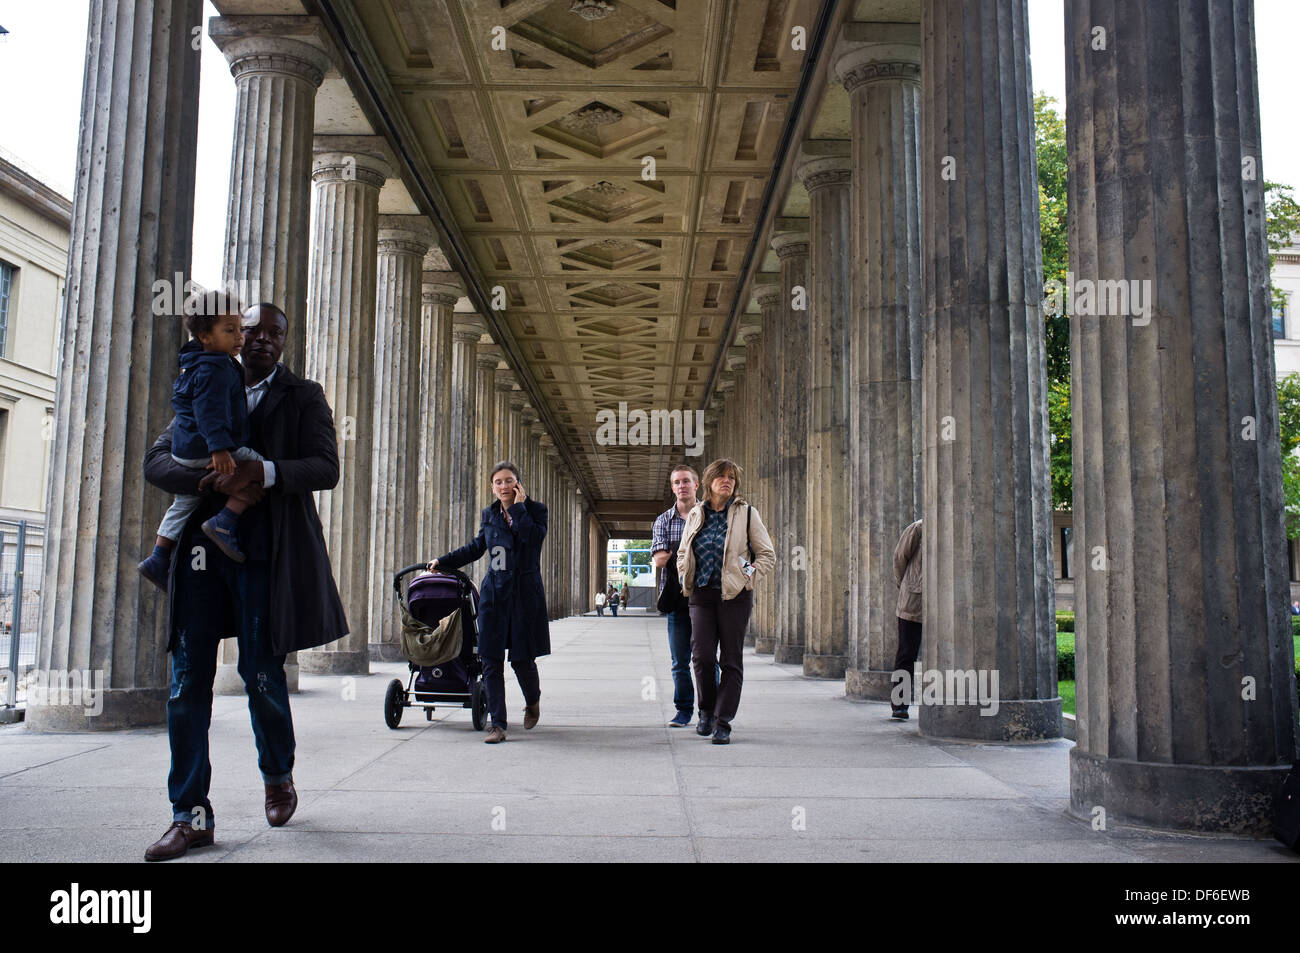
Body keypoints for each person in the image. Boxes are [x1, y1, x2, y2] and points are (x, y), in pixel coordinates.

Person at [141, 301, 348, 861]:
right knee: (187, 684)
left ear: (283, 341)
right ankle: (190, 816)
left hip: (265, 556)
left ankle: (277, 774)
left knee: (261, 673)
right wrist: (210, 479)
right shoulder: (206, 376)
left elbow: (325, 468)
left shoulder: (302, 396)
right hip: (200, 560)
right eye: (249, 328)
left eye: (272, 333)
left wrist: (267, 472)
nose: (259, 339)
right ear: (228, 335)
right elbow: (156, 461)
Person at [138, 302, 267, 587]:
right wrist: (219, 449)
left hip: (184, 451)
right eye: (230, 330)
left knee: (183, 503)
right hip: (208, 450)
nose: (240, 338)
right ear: (206, 337)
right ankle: (225, 520)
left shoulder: (197, 363)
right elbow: (210, 412)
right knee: (261, 469)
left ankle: (159, 555)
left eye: (239, 330)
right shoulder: (216, 369)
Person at [428, 462, 549, 744]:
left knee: (522, 660)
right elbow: (475, 547)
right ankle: (498, 724)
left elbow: (533, 539)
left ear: (518, 484)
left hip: (524, 594)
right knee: (490, 660)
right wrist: (442, 562)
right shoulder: (489, 514)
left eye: (509, 481)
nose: (504, 486)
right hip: (495, 592)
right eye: (498, 482)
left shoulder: (536, 510)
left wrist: (518, 509)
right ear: (492, 487)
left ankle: (533, 701)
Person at [677, 459, 775, 744]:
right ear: (708, 482)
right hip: (701, 595)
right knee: (702, 656)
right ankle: (706, 711)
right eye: (721, 476)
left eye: (731, 477)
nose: (727, 481)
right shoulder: (697, 513)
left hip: (734, 597)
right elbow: (684, 552)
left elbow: (765, 554)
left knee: (731, 659)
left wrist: (745, 577)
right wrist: (685, 572)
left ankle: (723, 721)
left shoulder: (746, 513)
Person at [652, 464, 717, 728]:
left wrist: (677, 554)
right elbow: (659, 560)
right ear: (672, 487)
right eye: (677, 482)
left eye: (686, 481)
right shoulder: (663, 521)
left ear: (697, 485)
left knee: (708, 659)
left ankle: (710, 710)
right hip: (676, 600)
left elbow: (717, 555)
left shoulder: (712, 515)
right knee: (680, 661)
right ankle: (683, 710)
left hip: (705, 598)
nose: (682, 486)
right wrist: (695, 554)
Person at [890, 518, 923, 720]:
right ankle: (900, 705)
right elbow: (899, 559)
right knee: (906, 654)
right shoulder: (918, 528)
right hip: (912, 601)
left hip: (942, 601)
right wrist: (907, 586)